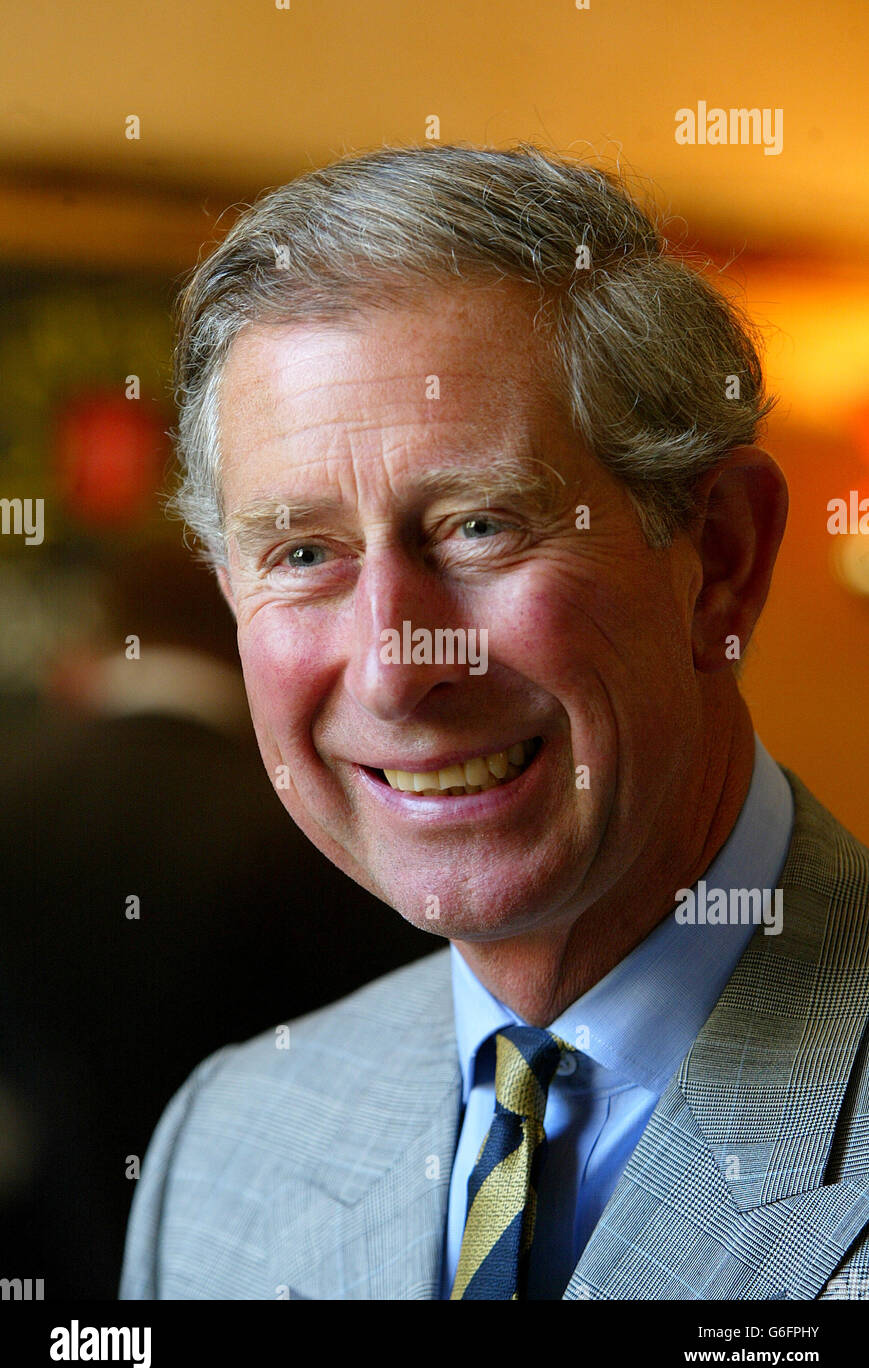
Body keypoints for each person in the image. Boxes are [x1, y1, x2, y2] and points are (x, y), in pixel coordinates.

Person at [119, 144, 869, 1301]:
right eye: (303, 553)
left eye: (478, 526)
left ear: (720, 558)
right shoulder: (224, 1149)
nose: (391, 666)